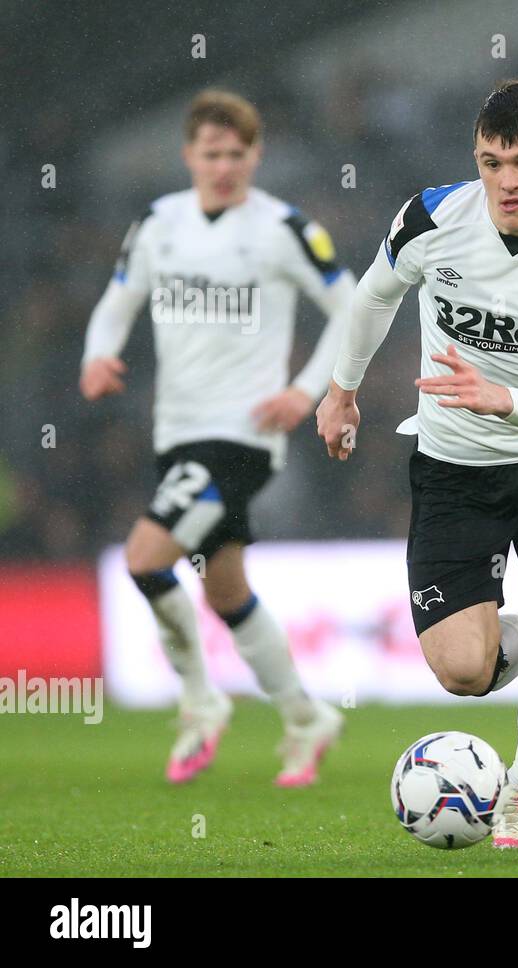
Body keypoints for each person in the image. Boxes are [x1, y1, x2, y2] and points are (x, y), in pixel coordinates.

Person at [316, 79, 518, 849]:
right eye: (492, 162)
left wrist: (505, 400)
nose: (508, 181)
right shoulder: (431, 217)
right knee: (464, 670)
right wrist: (342, 394)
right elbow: (372, 297)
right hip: (453, 472)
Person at [80, 89, 352, 786]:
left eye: (237, 153)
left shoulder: (283, 228)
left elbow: (351, 308)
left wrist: (306, 389)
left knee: (146, 558)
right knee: (226, 589)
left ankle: (200, 701)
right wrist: (96, 357)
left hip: (243, 438)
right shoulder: (159, 223)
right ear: (188, 155)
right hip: (177, 432)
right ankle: (305, 715)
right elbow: (117, 303)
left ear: (256, 156)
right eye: (212, 153)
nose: (225, 165)